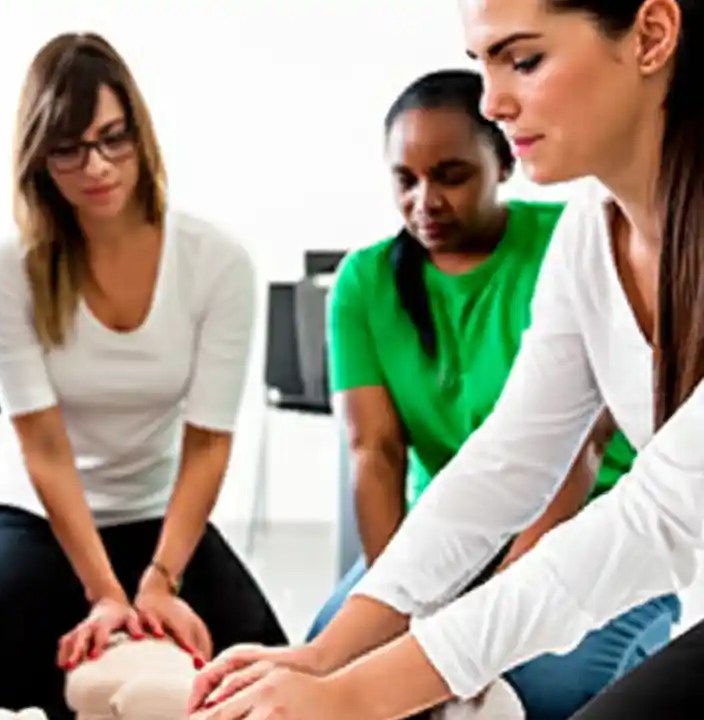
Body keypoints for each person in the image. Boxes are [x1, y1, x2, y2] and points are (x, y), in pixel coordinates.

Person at [187, 0, 704, 717]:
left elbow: (659, 517)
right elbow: (509, 459)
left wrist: (355, 696)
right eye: (483, 66)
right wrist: (327, 654)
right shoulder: (591, 230)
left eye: (524, 61)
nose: (492, 103)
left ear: (651, 35)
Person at [303, 67, 678, 718]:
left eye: (451, 175)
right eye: (406, 180)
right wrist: (383, 610)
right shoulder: (364, 281)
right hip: (455, 533)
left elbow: (572, 454)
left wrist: (487, 621)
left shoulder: (565, 239)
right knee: (333, 648)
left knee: (542, 690)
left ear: (502, 164)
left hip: (582, 531)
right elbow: (380, 455)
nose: (426, 201)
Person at [0, 31, 285, 719]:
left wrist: (159, 581)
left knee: (257, 662)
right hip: (34, 512)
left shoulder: (217, 263)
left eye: (113, 139)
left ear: (141, 134)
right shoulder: (7, 269)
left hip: (156, 510)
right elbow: (44, 449)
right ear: (39, 158)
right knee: (5, 619)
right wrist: (106, 591)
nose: (97, 167)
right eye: (69, 149)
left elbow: (207, 444)